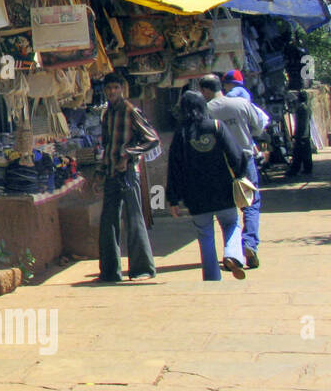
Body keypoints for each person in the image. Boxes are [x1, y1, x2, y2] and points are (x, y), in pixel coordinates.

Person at [167, 91, 248, 281]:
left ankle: (212, 278)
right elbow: (236, 156)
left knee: (205, 235)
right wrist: (241, 176)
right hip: (224, 191)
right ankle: (232, 255)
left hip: (195, 196)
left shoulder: (181, 134)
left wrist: (173, 199)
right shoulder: (217, 126)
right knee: (231, 224)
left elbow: (174, 168)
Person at [97, 71, 160, 283]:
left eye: (115, 88)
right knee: (108, 222)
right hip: (110, 172)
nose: (112, 92)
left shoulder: (131, 111)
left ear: (122, 89)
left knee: (134, 219)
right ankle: (110, 271)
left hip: (128, 173)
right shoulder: (107, 114)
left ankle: (142, 269)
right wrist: (100, 171)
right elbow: (106, 145)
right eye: (109, 89)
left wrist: (128, 154)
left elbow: (152, 139)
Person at [201, 73, 268, 268]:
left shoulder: (205, 110)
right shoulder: (241, 103)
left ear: (205, 90)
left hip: (218, 164)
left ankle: (233, 251)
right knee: (251, 204)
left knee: (227, 208)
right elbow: (257, 128)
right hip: (244, 160)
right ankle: (250, 243)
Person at [285, 90, 314, 179]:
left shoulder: (302, 109)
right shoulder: (306, 108)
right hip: (304, 135)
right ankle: (306, 169)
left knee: (298, 154)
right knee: (305, 153)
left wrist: (298, 135)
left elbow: (302, 124)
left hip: (302, 135)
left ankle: (295, 170)